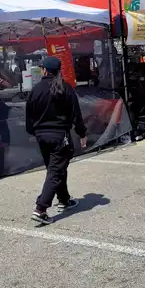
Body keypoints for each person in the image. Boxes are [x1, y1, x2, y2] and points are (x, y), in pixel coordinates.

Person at [25, 56, 87, 224]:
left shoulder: (35, 90)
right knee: (55, 171)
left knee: (56, 169)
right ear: (59, 71)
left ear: (44, 70)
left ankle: (64, 199)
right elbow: (76, 114)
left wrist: (34, 132)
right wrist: (82, 133)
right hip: (60, 136)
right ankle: (41, 209)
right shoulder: (65, 88)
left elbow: (29, 116)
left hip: (41, 136)